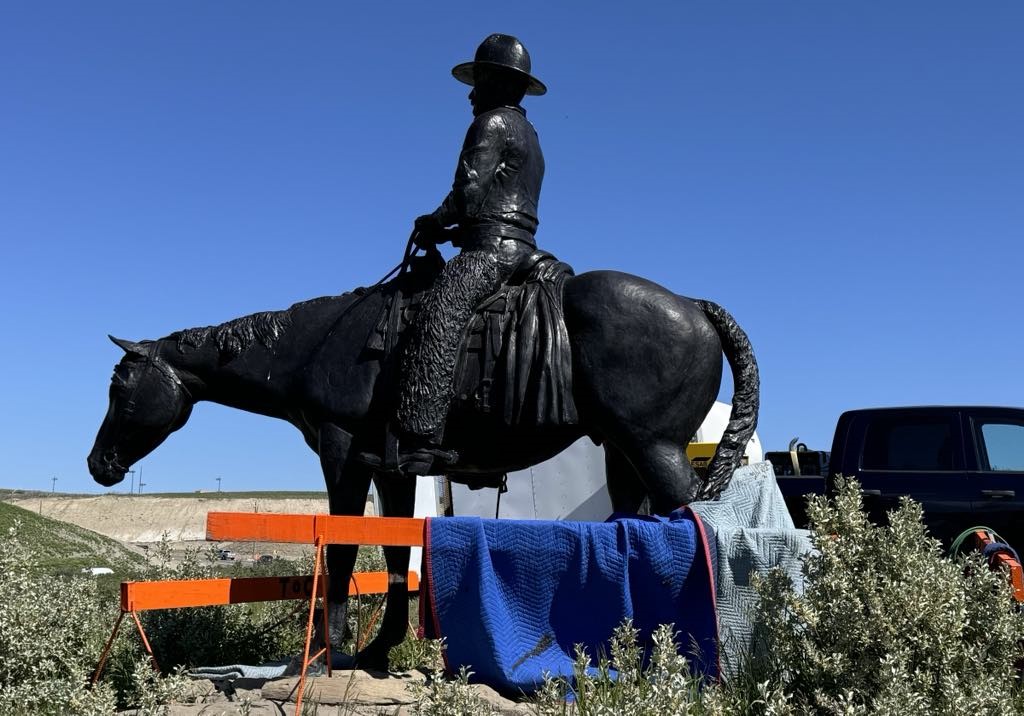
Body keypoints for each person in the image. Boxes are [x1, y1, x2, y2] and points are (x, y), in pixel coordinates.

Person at [394, 33, 547, 474]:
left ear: (497, 84)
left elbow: (468, 193)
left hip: (491, 252)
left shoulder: (492, 123)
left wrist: (433, 223)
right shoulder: (531, 135)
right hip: (526, 248)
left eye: (477, 82)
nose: (471, 94)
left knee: (438, 315)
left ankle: (420, 438)